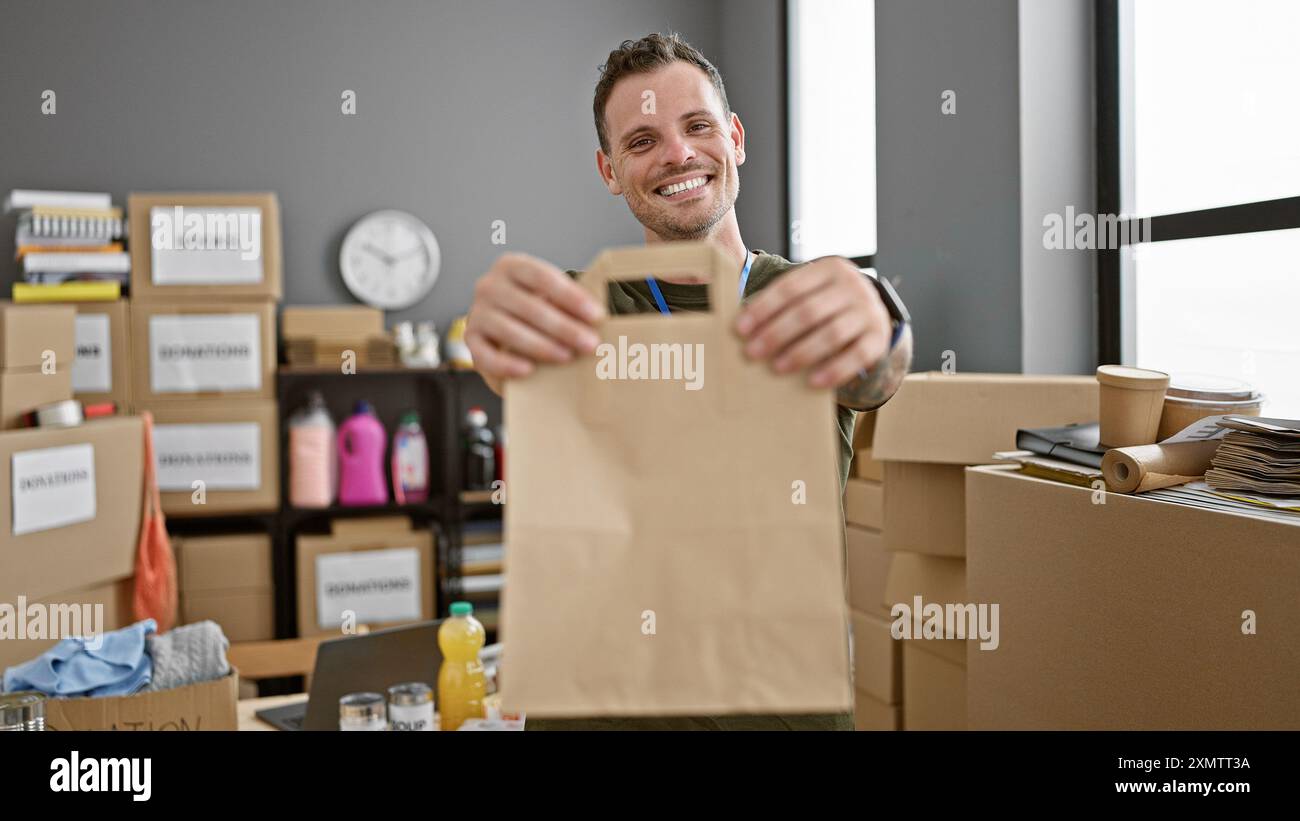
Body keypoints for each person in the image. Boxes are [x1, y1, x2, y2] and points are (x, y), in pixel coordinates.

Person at [466, 32, 913, 730]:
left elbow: (875, 372)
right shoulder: (582, 308)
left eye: (697, 126)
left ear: (734, 138)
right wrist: (487, 332)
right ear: (609, 170)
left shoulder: (805, 299)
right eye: (641, 140)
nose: (677, 154)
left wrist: (881, 317)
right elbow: (507, 363)